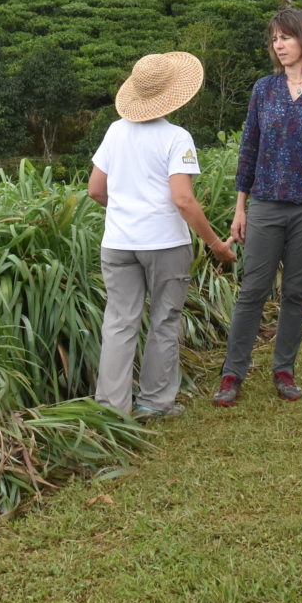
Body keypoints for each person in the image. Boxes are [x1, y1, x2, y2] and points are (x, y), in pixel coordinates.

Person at [214, 7, 302, 406]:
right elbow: (249, 150)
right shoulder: (264, 89)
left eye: (285, 37)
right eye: (274, 39)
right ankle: (231, 374)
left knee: (295, 292)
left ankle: (284, 369)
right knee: (251, 290)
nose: (279, 45)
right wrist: (241, 207)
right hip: (266, 204)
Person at [89, 50, 236, 418]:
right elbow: (183, 199)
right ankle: (154, 404)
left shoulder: (115, 130)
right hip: (165, 244)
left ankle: (112, 409)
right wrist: (216, 244)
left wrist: (126, 210)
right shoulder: (177, 137)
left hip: (118, 243)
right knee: (164, 321)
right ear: (173, 93)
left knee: (119, 323)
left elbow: (95, 190)